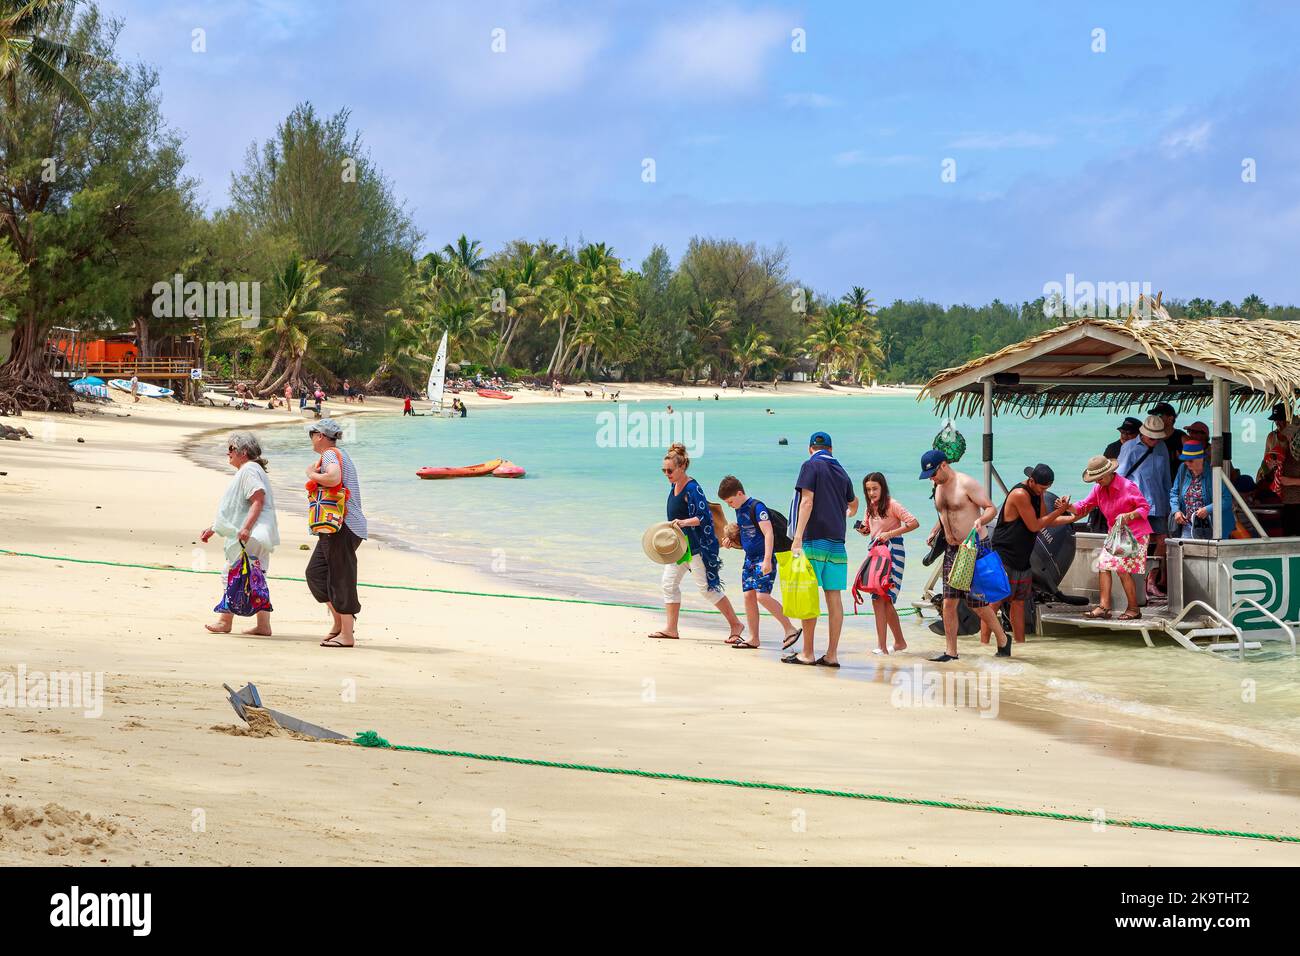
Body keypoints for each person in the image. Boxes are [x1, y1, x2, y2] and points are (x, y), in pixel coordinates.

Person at [920, 449, 1011, 661]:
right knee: (948, 602)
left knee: (976, 603)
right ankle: (951, 652)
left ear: (944, 465)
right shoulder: (938, 487)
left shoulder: (966, 483)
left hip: (973, 546)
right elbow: (944, 512)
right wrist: (935, 530)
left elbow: (990, 508)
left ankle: (1002, 638)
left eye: (933, 473)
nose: (932, 478)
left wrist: (980, 520)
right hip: (952, 549)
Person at [648, 443, 744, 641]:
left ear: (682, 467)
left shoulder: (692, 488)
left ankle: (736, 624)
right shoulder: (674, 485)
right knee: (669, 583)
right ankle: (671, 629)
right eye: (663, 470)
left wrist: (683, 522)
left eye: (670, 470)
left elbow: (704, 516)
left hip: (697, 547)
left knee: (707, 589)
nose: (666, 473)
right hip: (679, 548)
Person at [785, 432, 858, 667]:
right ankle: (832, 654)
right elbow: (854, 503)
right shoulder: (841, 471)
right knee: (833, 596)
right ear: (831, 449)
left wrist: (797, 537)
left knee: (808, 593)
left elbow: (807, 502)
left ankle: (807, 652)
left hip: (813, 538)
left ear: (810, 449)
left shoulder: (810, 466)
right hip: (837, 541)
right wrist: (844, 515)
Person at [985, 464, 1074, 646]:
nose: (1044, 491)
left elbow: (1044, 519)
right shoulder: (1020, 494)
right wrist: (1058, 511)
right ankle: (984, 645)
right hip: (1005, 554)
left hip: (1023, 556)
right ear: (1031, 481)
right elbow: (1035, 526)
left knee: (1019, 603)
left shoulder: (1037, 492)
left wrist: (1070, 514)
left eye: (1047, 489)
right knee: (994, 603)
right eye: (1042, 488)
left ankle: (1021, 644)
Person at [201, 432, 279, 636]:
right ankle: (263, 625)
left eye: (231, 449)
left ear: (243, 452)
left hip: (253, 533)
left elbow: (258, 500)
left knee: (232, 573)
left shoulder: (249, 470)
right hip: (260, 532)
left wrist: (245, 528)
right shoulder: (252, 469)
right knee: (256, 576)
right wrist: (213, 528)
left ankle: (224, 621)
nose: (228, 453)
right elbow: (238, 507)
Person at [305, 419, 368, 647]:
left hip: (342, 524)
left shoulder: (331, 454)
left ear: (320, 435)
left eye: (312, 434)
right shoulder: (337, 454)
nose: (310, 438)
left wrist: (311, 474)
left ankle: (347, 635)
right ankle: (340, 623)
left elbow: (333, 478)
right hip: (337, 526)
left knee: (341, 576)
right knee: (316, 573)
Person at [718, 475, 801, 650]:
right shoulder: (738, 509)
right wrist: (731, 543)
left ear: (740, 493)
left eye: (731, 501)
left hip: (764, 558)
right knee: (748, 595)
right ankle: (754, 637)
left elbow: (768, 533)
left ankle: (790, 628)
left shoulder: (757, 507)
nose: (729, 505)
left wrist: (767, 560)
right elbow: (749, 535)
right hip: (749, 559)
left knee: (762, 596)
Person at [1072, 455, 1152, 620]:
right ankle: (1104, 606)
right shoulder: (1098, 489)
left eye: (1099, 478)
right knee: (1104, 565)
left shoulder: (1128, 486)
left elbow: (1144, 508)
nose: (1097, 482)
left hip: (1135, 534)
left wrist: (1128, 516)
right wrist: (1067, 507)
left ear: (1109, 474)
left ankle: (1134, 609)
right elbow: (1083, 507)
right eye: (1094, 479)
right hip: (1116, 534)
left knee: (1122, 570)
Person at [854, 471, 919, 654]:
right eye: (868, 490)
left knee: (885, 596)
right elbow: (870, 530)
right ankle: (887, 645)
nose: (872, 493)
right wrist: (863, 530)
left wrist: (890, 534)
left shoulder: (892, 504)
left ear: (883, 488)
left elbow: (914, 522)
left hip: (893, 551)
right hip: (876, 551)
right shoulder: (869, 508)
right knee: (877, 598)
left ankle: (894, 643)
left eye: (875, 488)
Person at [1117, 414, 1171, 596]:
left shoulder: (1162, 447)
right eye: (1151, 438)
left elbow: (1166, 478)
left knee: (1163, 540)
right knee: (1140, 542)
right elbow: (1120, 477)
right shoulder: (1129, 448)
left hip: (1159, 502)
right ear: (1143, 434)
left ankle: (1150, 579)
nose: (1154, 441)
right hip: (1137, 504)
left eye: (1157, 438)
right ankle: (1138, 584)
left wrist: (1170, 501)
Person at [1170, 441, 1235, 539]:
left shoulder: (1214, 473)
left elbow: (1227, 500)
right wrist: (1176, 511)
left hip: (1212, 528)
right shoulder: (1182, 469)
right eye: (1185, 460)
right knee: (1185, 553)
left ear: (1201, 459)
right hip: (1187, 526)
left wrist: (1207, 509)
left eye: (1190, 460)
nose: (1187, 463)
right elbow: (1174, 493)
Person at [1262, 403, 1300, 537]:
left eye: (1282, 419)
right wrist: (1269, 466)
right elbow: (1264, 468)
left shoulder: (1297, 438)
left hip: (1296, 500)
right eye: (1276, 420)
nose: (1278, 423)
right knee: (1284, 537)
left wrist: (1291, 481)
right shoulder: (1272, 437)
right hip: (1280, 499)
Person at [1148, 402, 1185, 479]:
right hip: (1157, 485)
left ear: (1170, 418)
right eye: (1153, 416)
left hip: (1177, 485)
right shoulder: (1149, 438)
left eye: (1159, 416)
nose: (1155, 419)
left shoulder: (1182, 438)